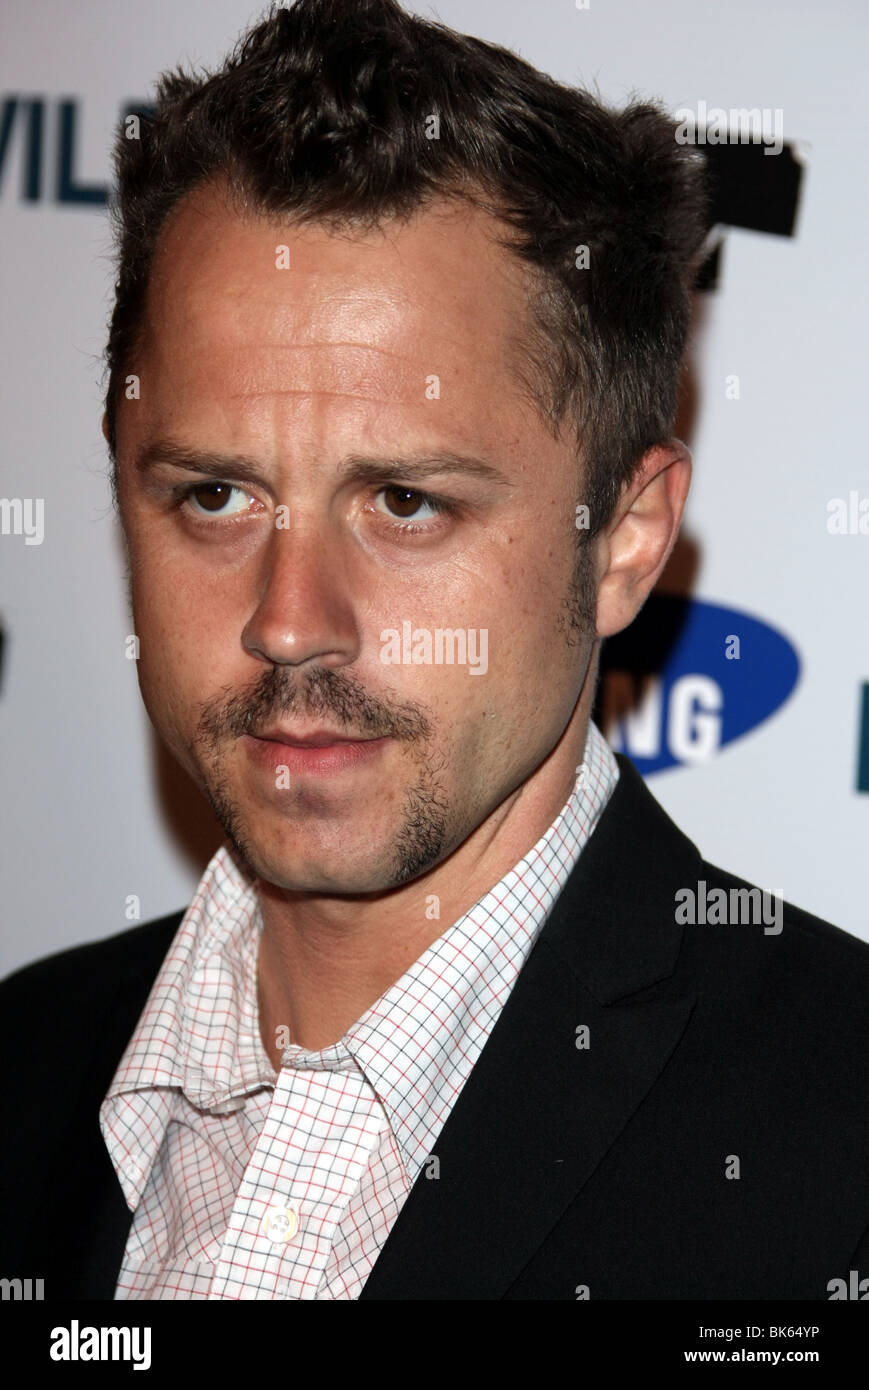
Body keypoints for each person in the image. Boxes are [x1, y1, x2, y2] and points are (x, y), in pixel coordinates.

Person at [2, 0, 868, 1301]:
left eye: (406, 503)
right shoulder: (20, 1061)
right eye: (214, 496)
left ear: (624, 537)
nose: (290, 619)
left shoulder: (836, 1141)